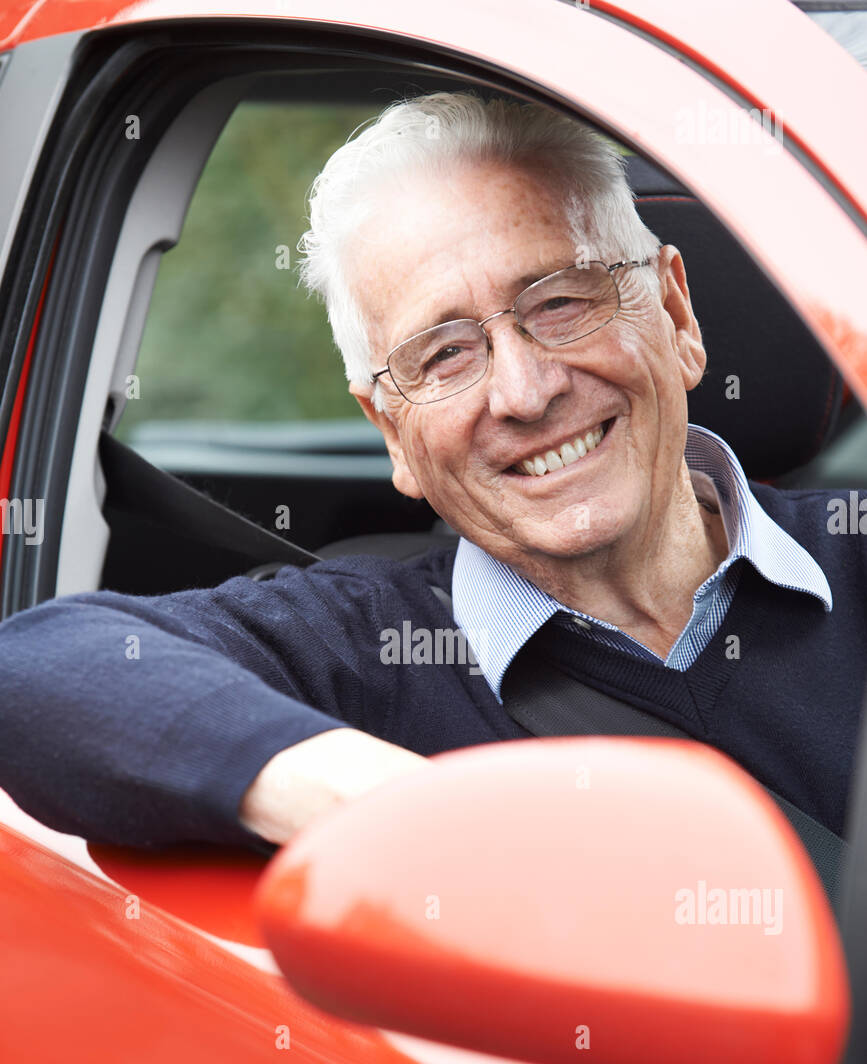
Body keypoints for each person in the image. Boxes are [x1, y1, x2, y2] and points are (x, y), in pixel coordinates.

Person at [0, 92, 859, 850]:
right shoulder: (357, 651)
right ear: (392, 434)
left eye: (560, 300)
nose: (523, 392)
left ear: (674, 314)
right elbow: (37, 670)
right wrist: (416, 819)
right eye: (443, 354)